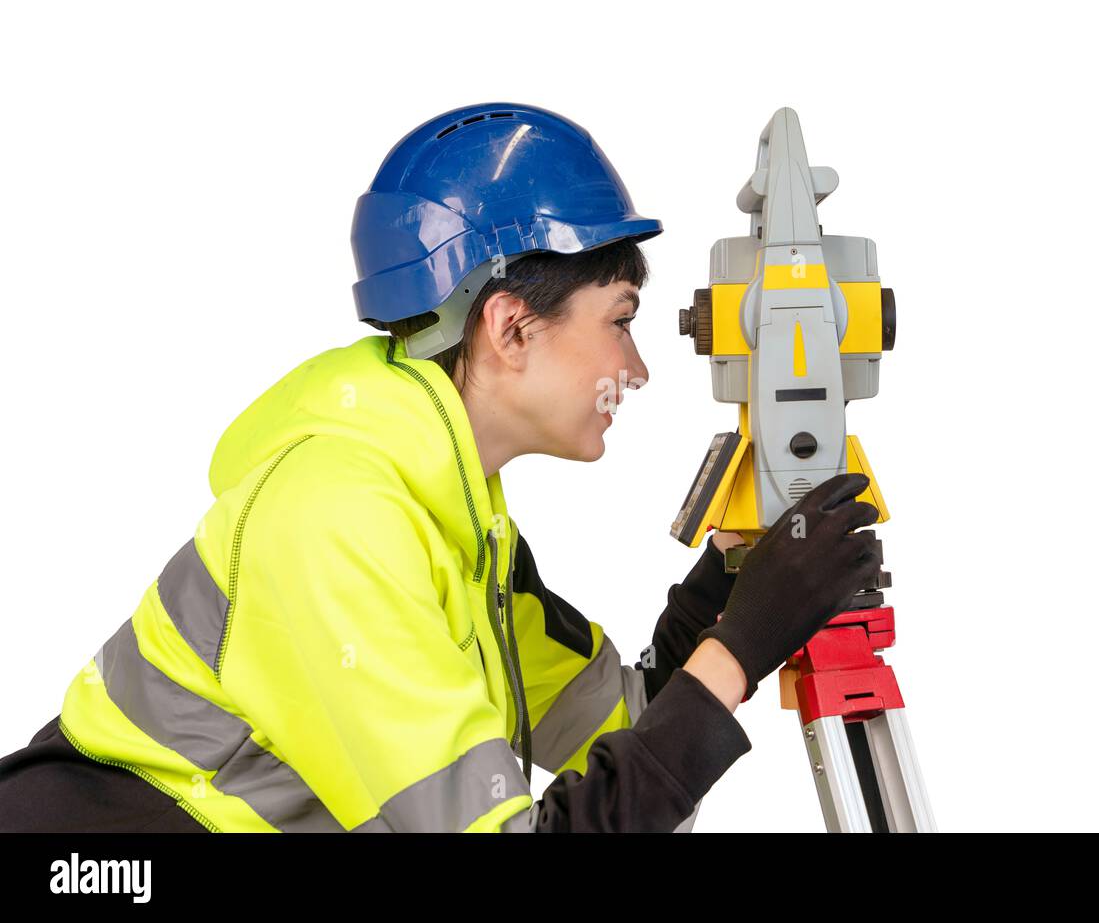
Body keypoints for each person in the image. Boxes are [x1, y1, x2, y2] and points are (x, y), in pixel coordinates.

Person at [0, 103, 882, 832]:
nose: (638, 369)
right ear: (508, 326)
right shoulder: (338, 522)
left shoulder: (455, 518)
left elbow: (614, 729)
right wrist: (735, 652)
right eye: (620, 320)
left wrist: (723, 603)